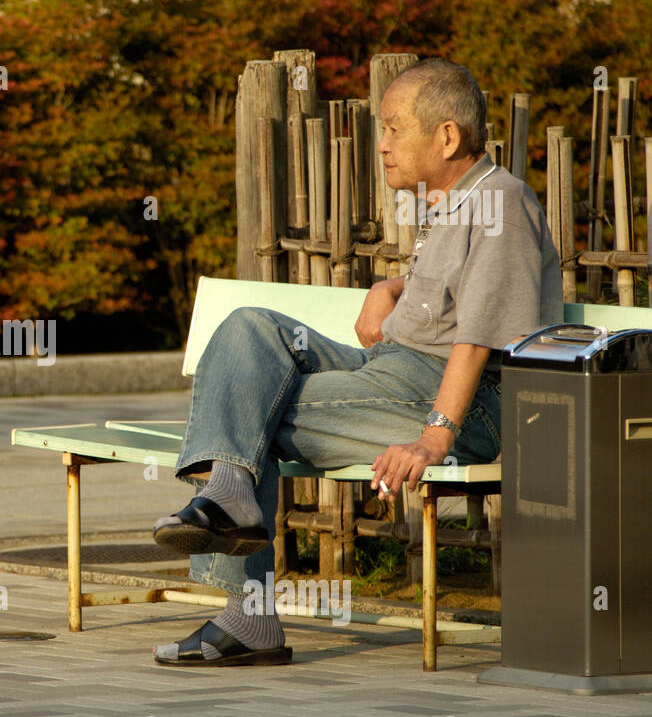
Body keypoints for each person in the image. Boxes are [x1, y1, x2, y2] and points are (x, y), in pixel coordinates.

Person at [151, 58, 563, 666]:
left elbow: (476, 339)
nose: (382, 145)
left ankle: (247, 602)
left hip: (460, 398)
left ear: (447, 136)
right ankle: (232, 499)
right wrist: (392, 288)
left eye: (395, 128)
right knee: (247, 330)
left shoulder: (500, 203)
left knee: (243, 421)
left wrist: (432, 439)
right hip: (392, 368)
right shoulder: (456, 203)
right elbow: (460, 290)